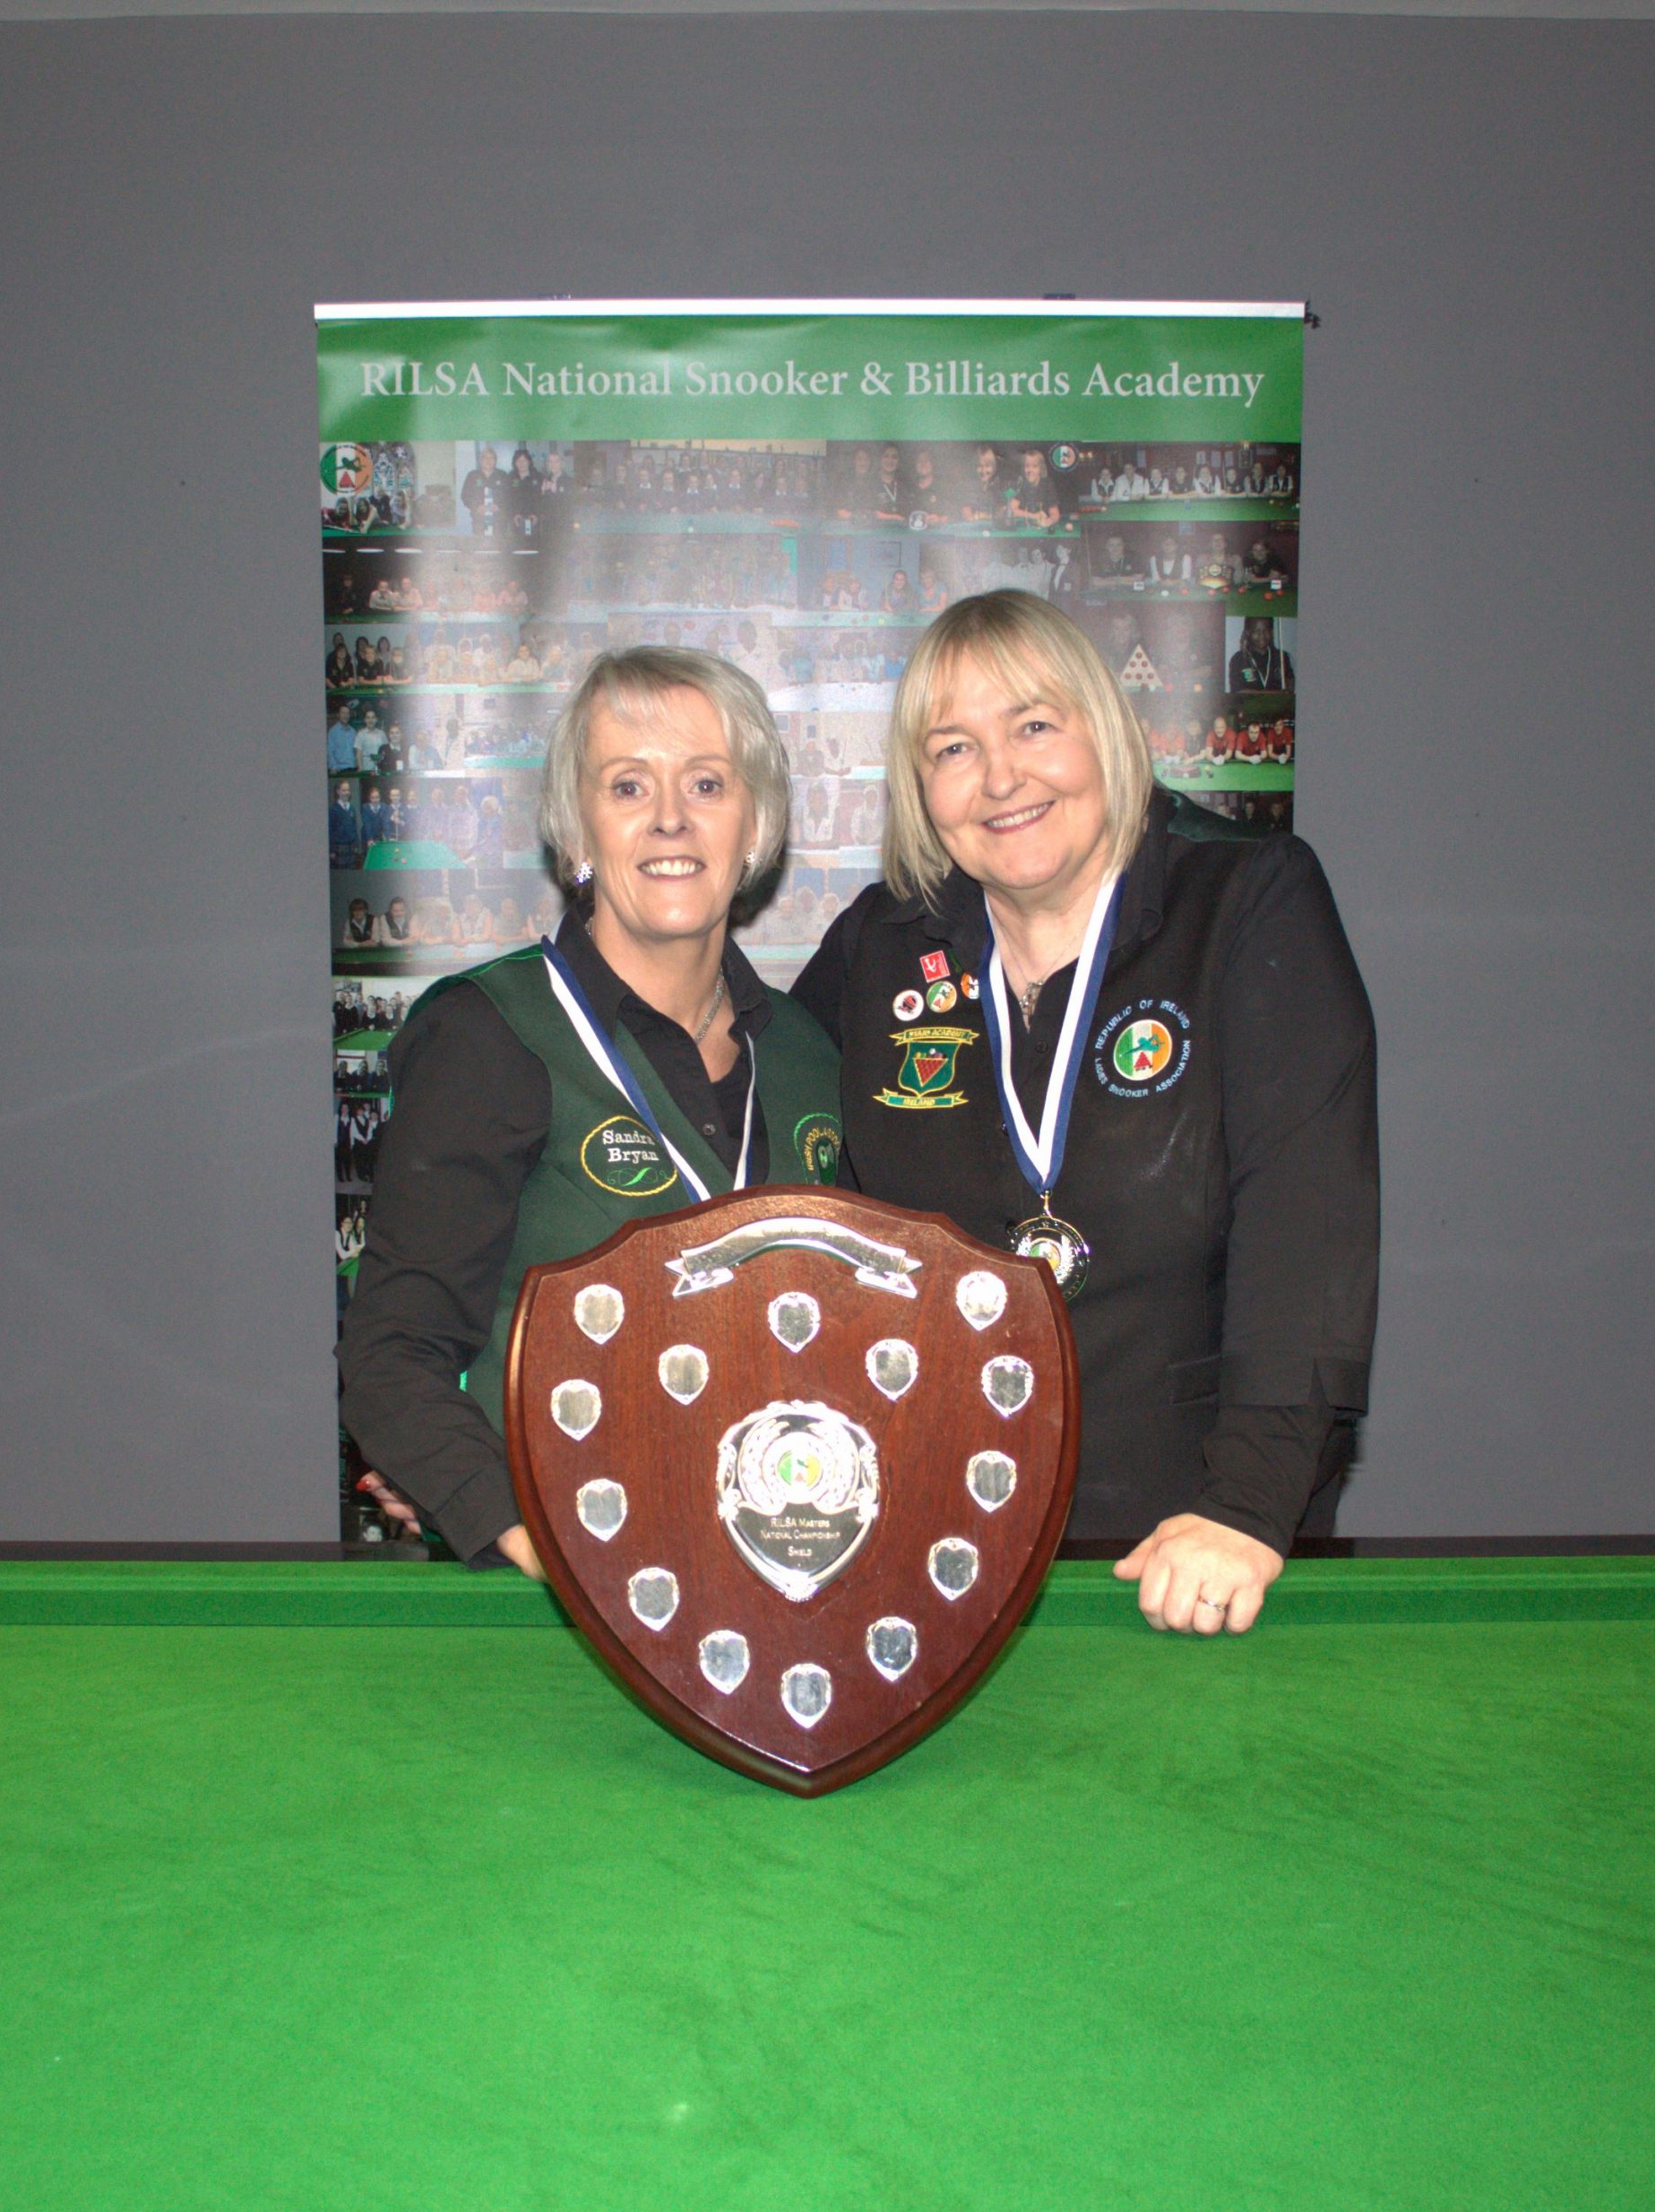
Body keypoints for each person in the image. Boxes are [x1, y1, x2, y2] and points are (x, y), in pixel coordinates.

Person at [792, 590, 1376, 1636]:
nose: (1001, 776)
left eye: (1033, 725)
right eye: (953, 747)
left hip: (1183, 1543)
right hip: (926, 1537)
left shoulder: (1244, 901)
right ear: (921, 789)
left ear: (1106, 727)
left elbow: (1308, 1225)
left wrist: (1244, 1503)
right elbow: (742, 1157)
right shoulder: (881, 947)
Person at [338, 647, 843, 1572]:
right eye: (625, 786)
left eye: (705, 782)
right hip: (545, 1611)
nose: (668, 818)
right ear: (576, 833)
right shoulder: (489, 1034)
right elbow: (392, 1356)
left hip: (777, 1579)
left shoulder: (810, 1055)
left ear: (757, 822)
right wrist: (545, 1552)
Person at [1231, 616, 1295, 693]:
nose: (1262, 635)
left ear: (1271, 632)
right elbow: (1239, 693)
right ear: (1248, 632)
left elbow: (1290, 690)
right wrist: (1275, 693)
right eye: (1256, 631)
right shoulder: (1238, 659)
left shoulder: (1282, 657)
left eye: (1266, 630)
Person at [327, 702, 358, 778]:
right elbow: (329, 751)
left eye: (347, 713)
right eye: (343, 713)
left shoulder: (353, 732)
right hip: (339, 770)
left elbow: (356, 751)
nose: (345, 716)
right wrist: (333, 767)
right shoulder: (333, 731)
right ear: (338, 715)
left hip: (353, 769)